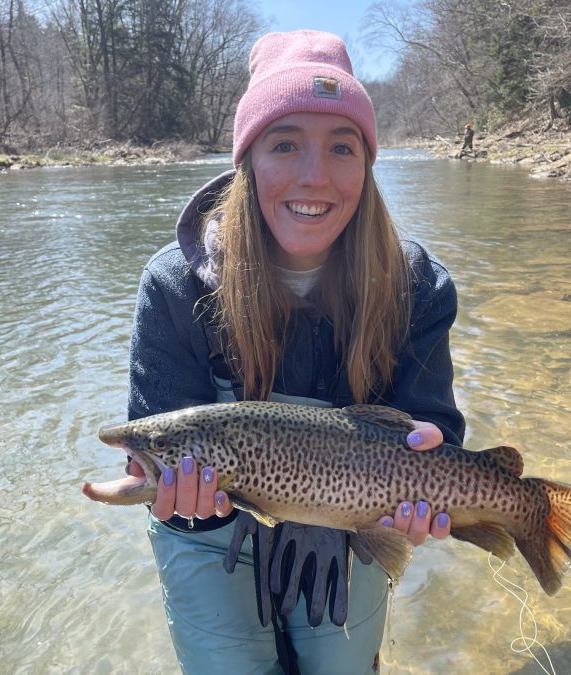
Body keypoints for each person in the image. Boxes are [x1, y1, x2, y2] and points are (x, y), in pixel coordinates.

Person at [84, 30, 465, 674]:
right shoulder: (175, 283)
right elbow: (157, 441)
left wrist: (435, 452)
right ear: (248, 161)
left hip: (356, 519)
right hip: (210, 529)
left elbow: (437, 426)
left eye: (341, 147)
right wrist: (185, 503)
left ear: (367, 166)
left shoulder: (417, 286)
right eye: (285, 144)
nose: (314, 176)